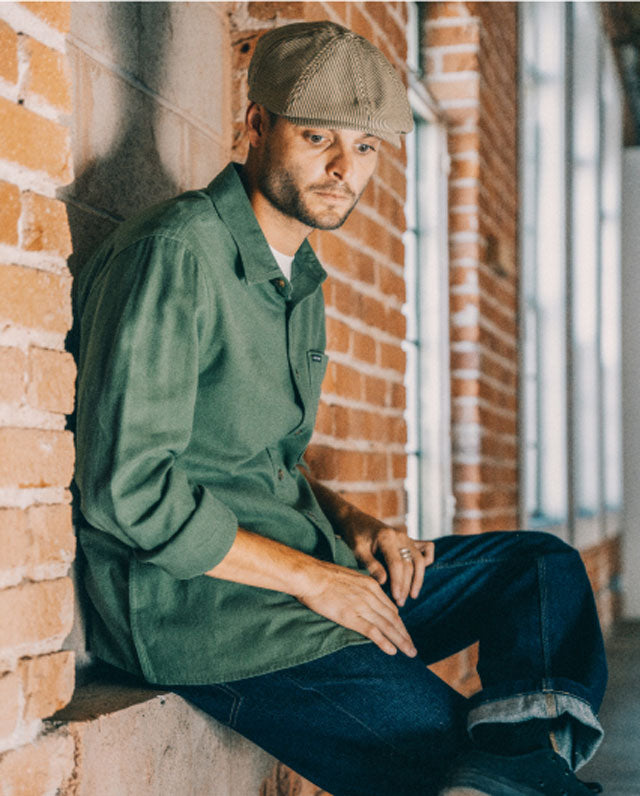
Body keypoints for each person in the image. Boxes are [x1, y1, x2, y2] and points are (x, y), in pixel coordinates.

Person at [74, 20, 607, 796]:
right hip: (208, 616)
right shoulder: (178, 252)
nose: (342, 169)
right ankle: (510, 778)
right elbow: (126, 490)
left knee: (539, 570)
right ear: (256, 125)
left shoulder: (298, 279)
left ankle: (511, 769)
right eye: (317, 136)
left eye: (364, 147)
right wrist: (314, 581)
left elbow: (262, 462)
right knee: (466, 763)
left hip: (303, 570)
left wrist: (353, 523)